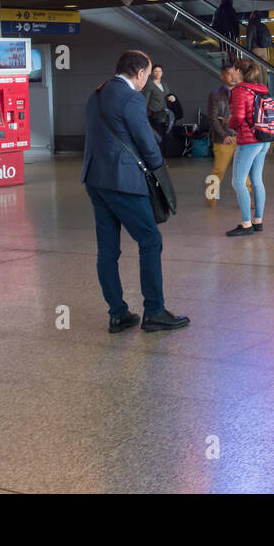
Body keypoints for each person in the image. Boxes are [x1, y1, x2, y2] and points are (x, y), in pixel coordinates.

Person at [83, 50, 189, 334]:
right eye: (147, 74)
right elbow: (145, 140)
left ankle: (117, 314)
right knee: (150, 240)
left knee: (108, 250)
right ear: (140, 73)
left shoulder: (96, 93)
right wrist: (159, 168)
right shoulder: (130, 97)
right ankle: (154, 312)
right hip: (123, 180)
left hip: (95, 179)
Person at [225, 58, 272, 237]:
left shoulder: (240, 90)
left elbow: (238, 116)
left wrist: (229, 123)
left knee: (237, 181)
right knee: (257, 180)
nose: (231, 73)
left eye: (233, 70)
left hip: (248, 140)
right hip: (264, 138)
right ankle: (257, 221)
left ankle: (246, 224)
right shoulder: (260, 88)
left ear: (239, 71)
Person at [206, 65, 239, 207]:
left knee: (244, 171)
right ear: (222, 77)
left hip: (242, 138)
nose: (232, 77)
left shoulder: (242, 92)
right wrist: (224, 135)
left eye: (234, 74)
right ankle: (210, 196)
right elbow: (213, 118)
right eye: (229, 75)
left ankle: (246, 198)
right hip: (223, 139)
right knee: (219, 170)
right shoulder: (215, 94)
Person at [143, 65, 175, 141]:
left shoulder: (164, 84)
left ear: (162, 73)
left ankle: (165, 152)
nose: (158, 73)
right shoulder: (149, 85)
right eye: (156, 71)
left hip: (166, 116)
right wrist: (144, 114)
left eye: (159, 71)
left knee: (166, 137)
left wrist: (173, 98)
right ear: (152, 73)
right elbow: (145, 100)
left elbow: (168, 95)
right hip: (155, 115)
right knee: (158, 137)